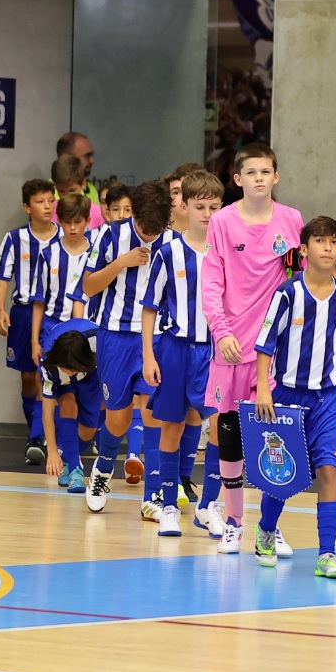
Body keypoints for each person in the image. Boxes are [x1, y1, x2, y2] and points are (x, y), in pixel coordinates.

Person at [201, 142, 303, 555]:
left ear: (275, 177)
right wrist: (221, 331)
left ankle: (269, 525)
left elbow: (297, 277)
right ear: (237, 178)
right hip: (230, 347)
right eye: (251, 172)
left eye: (267, 172)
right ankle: (232, 522)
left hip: (274, 350)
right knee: (229, 435)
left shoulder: (292, 220)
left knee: (272, 437)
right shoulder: (222, 222)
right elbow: (211, 283)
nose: (259, 178)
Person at [254, 215, 336, 578]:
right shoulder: (287, 293)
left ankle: (327, 553)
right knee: (282, 473)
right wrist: (263, 388)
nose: (328, 248)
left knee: (329, 469)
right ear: (304, 250)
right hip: (286, 396)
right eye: (320, 241)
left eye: (334, 241)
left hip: (329, 395)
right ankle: (266, 531)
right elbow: (265, 344)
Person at [137, 171, 225, 535]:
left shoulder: (229, 252)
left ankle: (210, 505)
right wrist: (148, 355)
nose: (206, 213)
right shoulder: (168, 252)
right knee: (171, 427)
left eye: (214, 207)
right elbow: (149, 307)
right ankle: (169, 505)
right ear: (184, 206)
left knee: (223, 427)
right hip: (174, 349)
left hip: (216, 353)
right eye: (200, 206)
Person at [82, 180, 174, 515]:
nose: (150, 234)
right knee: (118, 420)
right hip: (115, 337)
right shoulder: (109, 235)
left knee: (153, 415)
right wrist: (121, 263)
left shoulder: (174, 242)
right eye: (145, 227)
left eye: (157, 228)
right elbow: (88, 286)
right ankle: (103, 469)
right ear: (133, 213)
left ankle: (152, 495)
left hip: (158, 338)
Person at [0, 178, 58, 464]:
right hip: (23, 312)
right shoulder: (14, 239)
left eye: (50, 201)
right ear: (26, 207)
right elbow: (3, 277)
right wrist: (0, 310)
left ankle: (37, 438)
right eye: (40, 202)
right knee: (28, 376)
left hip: (54, 315)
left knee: (48, 375)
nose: (46, 206)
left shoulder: (65, 236)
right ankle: (36, 430)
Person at [31, 193, 93, 493]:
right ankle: (72, 463)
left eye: (77, 222)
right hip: (55, 334)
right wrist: (34, 339)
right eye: (66, 222)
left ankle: (74, 455)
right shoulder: (48, 254)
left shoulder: (95, 253)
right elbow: (39, 300)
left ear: (86, 222)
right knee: (62, 398)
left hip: (87, 336)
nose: (71, 228)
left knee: (90, 421)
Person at [39, 317, 101, 489]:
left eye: (74, 371)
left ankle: (67, 458)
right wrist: (51, 451)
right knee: (67, 403)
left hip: (91, 373)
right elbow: (47, 412)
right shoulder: (49, 364)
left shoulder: (99, 340)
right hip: (66, 367)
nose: (71, 375)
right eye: (68, 370)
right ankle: (75, 471)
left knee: (88, 431)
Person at [51, 154, 104, 230]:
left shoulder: (98, 213)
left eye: (72, 191)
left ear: (83, 184)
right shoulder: (50, 212)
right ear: (55, 186)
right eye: (62, 191)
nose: (67, 196)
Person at [57, 132, 100, 206]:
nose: (91, 160)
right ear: (67, 157)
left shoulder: (92, 189)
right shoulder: (48, 194)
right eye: (87, 156)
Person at [166, 163, 204, 233]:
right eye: (176, 192)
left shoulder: (215, 236)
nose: (184, 198)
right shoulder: (154, 234)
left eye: (190, 191)